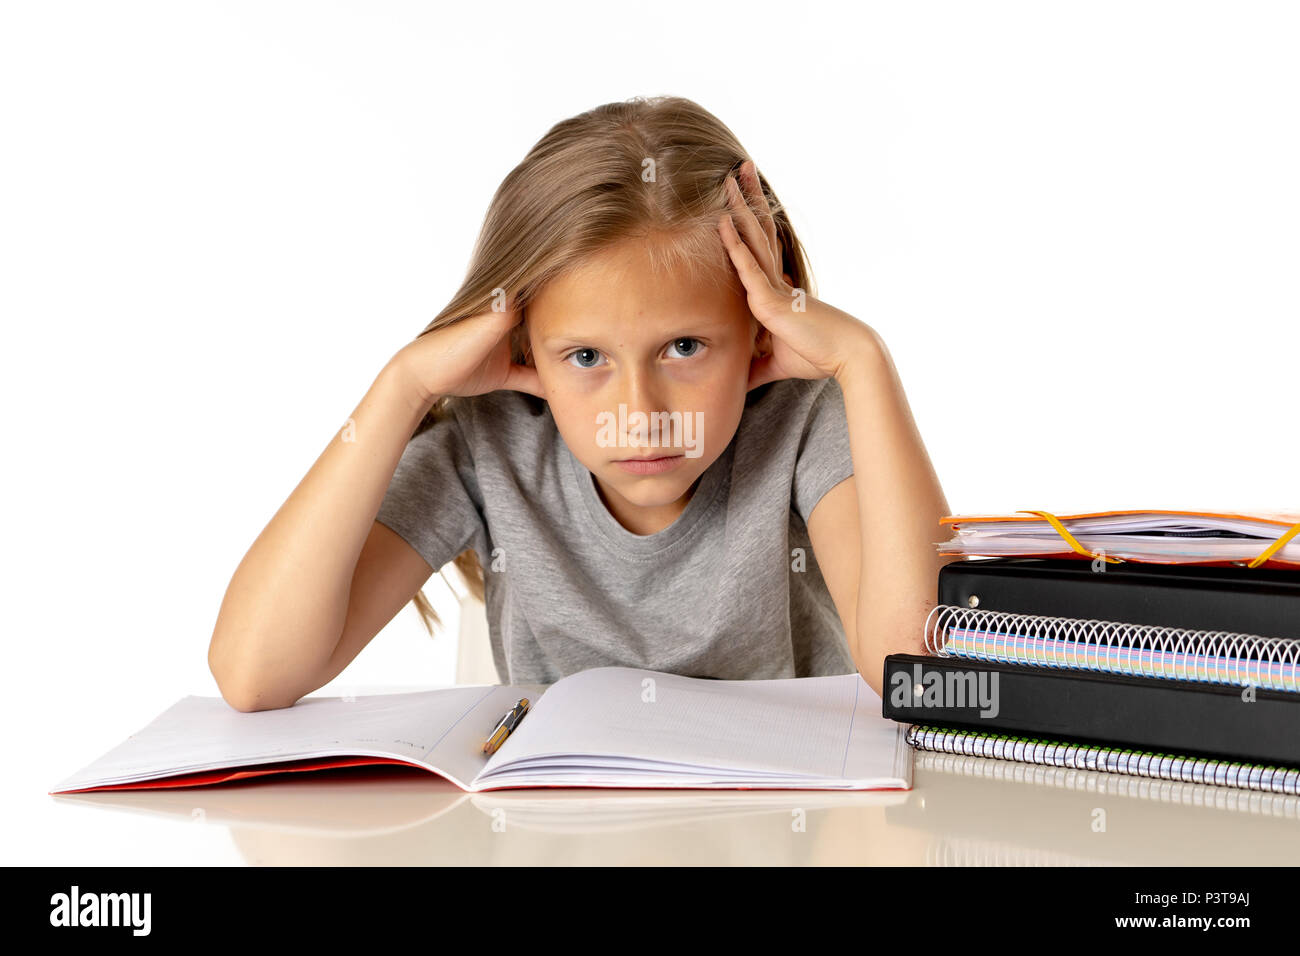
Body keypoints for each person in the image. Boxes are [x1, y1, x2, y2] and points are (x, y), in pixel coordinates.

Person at [207, 95, 954, 711]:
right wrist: (403, 385)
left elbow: (916, 670)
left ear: (760, 327)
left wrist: (863, 362)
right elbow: (253, 674)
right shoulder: (490, 444)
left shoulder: (804, 421)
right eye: (587, 357)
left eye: (685, 348)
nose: (641, 409)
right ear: (525, 346)